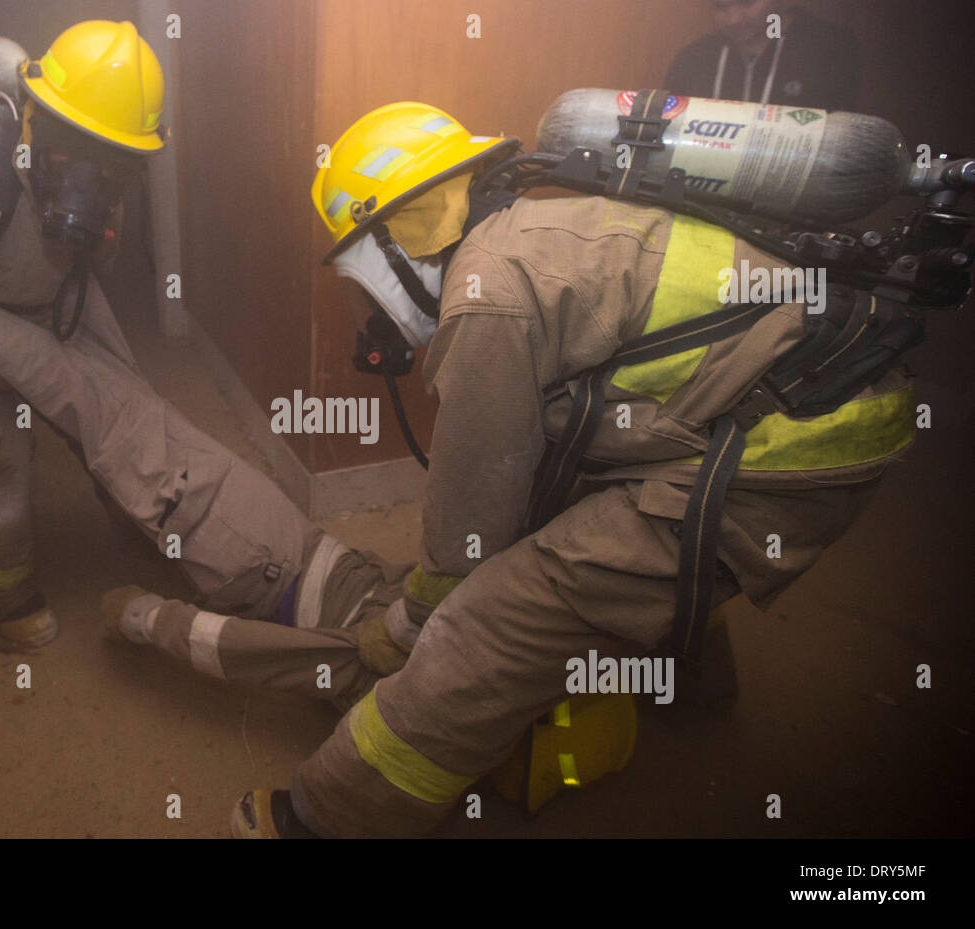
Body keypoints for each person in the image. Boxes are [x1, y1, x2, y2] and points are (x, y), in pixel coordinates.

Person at [213, 100, 915, 837]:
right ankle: (693, 687)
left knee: (492, 622)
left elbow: (469, 533)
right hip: (801, 392)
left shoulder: (487, 299)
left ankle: (329, 817)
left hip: (790, 446)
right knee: (587, 514)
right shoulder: (535, 226)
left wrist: (415, 620)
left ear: (393, 241)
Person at [0, 20, 327, 654]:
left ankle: (159, 529)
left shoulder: (105, 172)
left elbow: (89, 263)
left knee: (123, 411)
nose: (90, 180)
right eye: (72, 152)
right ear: (33, 116)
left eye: (111, 162)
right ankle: (3, 600)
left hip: (45, 297)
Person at [665, 0, 858, 110]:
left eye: (746, 2)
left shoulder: (824, 49)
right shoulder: (694, 59)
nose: (733, 19)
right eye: (720, 6)